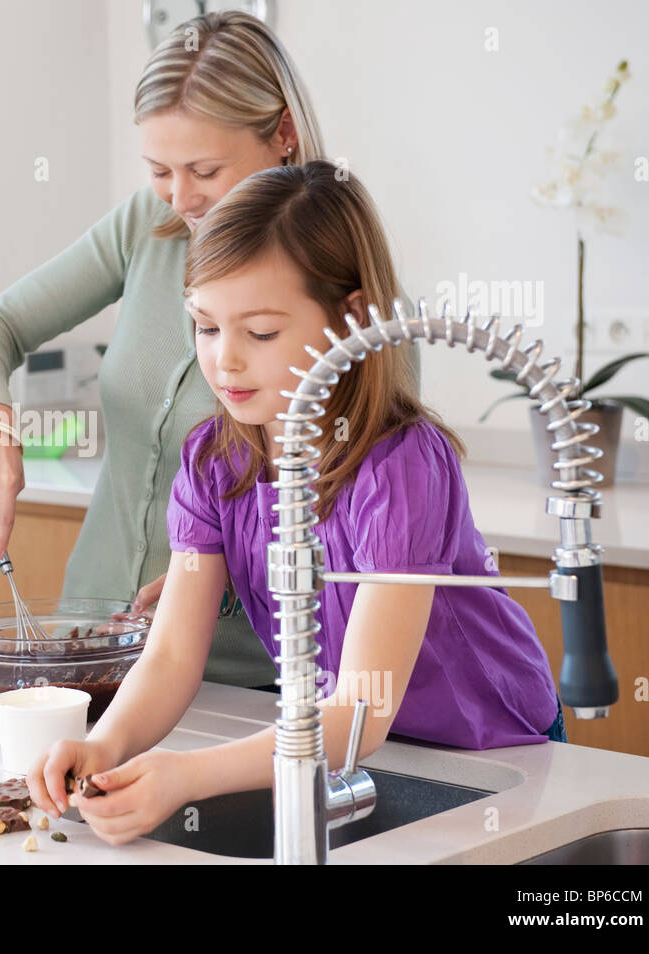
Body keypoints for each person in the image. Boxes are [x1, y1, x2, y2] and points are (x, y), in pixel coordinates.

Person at [28, 161, 564, 845]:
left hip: (493, 751)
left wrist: (187, 776)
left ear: (352, 318)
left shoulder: (401, 467)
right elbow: (169, 659)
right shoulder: (212, 463)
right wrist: (104, 748)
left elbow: (361, 708)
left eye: (259, 333)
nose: (224, 362)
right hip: (361, 745)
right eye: (206, 327)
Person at [0, 11, 330, 691]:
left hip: (242, 681)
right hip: (88, 650)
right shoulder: (146, 229)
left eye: (205, 169)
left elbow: (354, 524)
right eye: (159, 169)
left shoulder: (336, 278)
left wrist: (217, 582)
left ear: (283, 137)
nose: (181, 198)